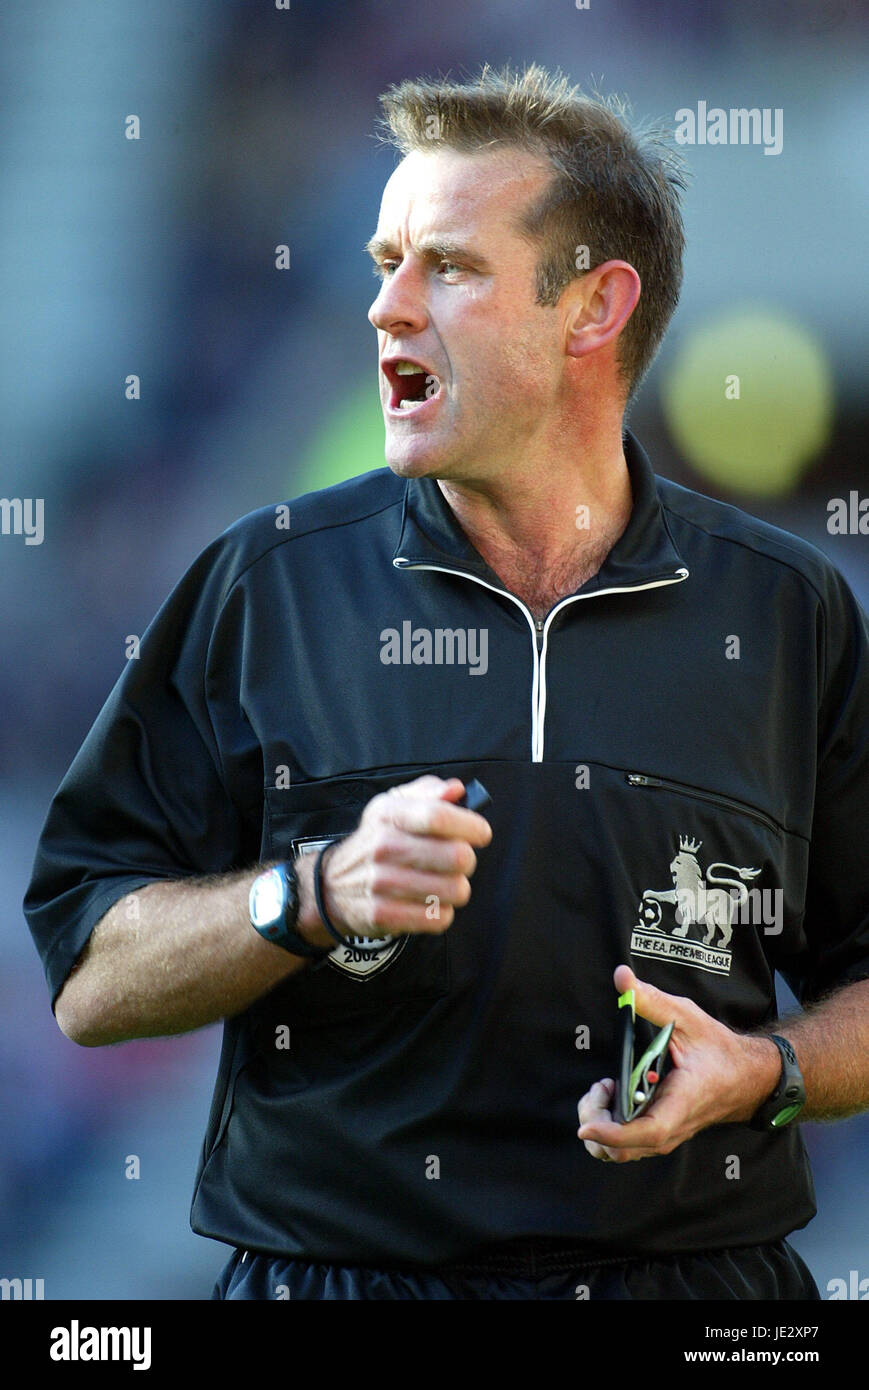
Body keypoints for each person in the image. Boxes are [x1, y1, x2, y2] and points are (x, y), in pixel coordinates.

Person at [24, 64, 869, 1301]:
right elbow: (91, 981)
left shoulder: (785, 611)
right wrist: (307, 892)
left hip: (699, 1298)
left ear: (592, 308)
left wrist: (765, 1072)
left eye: (448, 269)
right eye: (382, 262)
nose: (384, 308)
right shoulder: (265, 582)